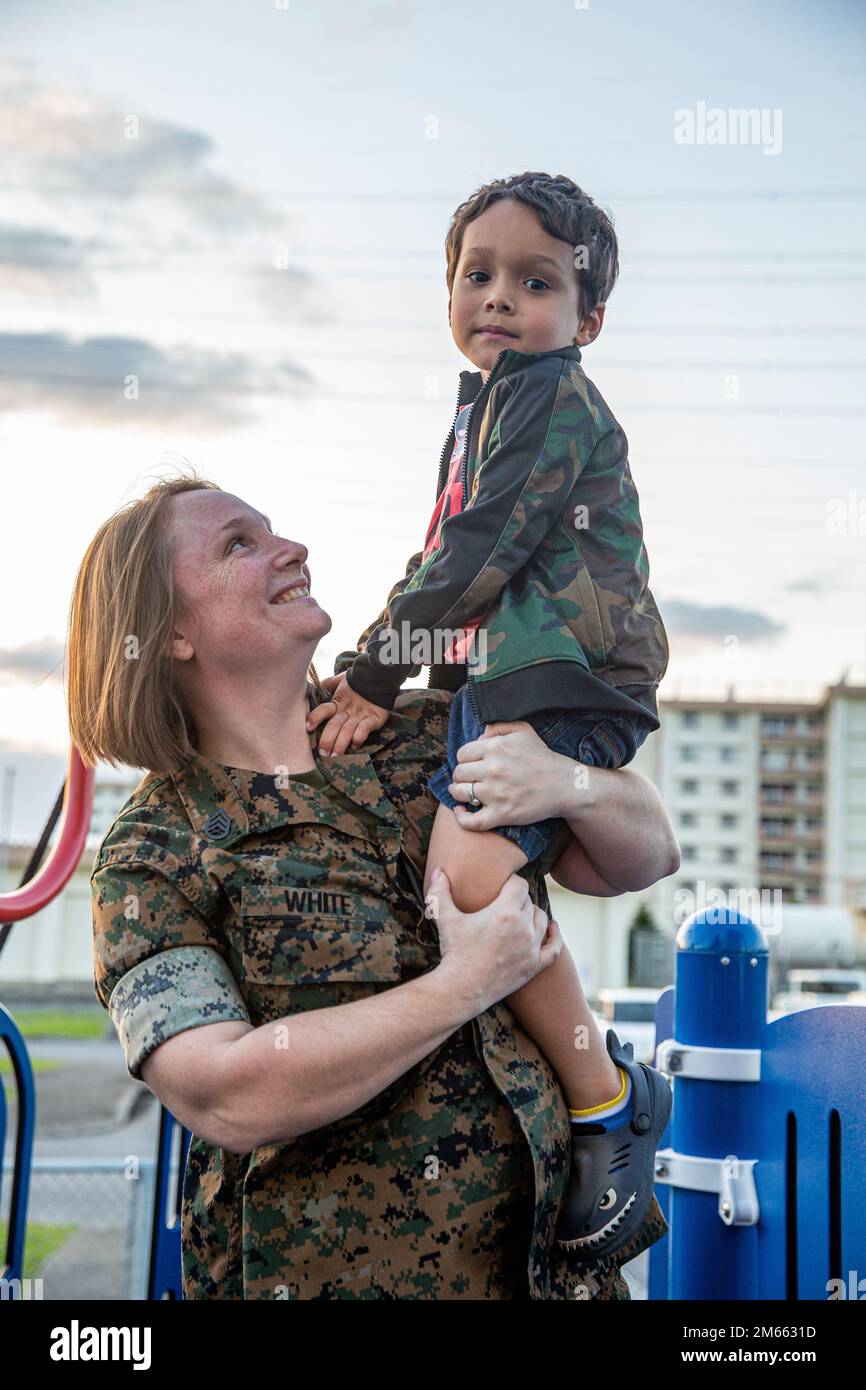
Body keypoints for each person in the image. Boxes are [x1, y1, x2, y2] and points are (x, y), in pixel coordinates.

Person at [72, 475, 679, 1300]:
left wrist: (568, 784)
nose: (293, 550)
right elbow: (228, 1094)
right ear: (169, 631)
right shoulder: (154, 854)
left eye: (273, 529)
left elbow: (641, 856)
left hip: (551, 1281)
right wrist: (466, 983)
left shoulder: (428, 730)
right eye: (238, 545)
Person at [309, 171, 673, 1250]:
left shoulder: (550, 399)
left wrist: (375, 671)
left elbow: (478, 550)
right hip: (506, 677)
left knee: (466, 879)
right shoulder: (480, 413)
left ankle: (606, 1100)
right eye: (476, 275)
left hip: (572, 675)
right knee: (458, 876)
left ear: (587, 319)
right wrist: (398, 673)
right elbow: (442, 550)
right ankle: (592, 1086)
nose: (498, 298)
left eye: (534, 281)